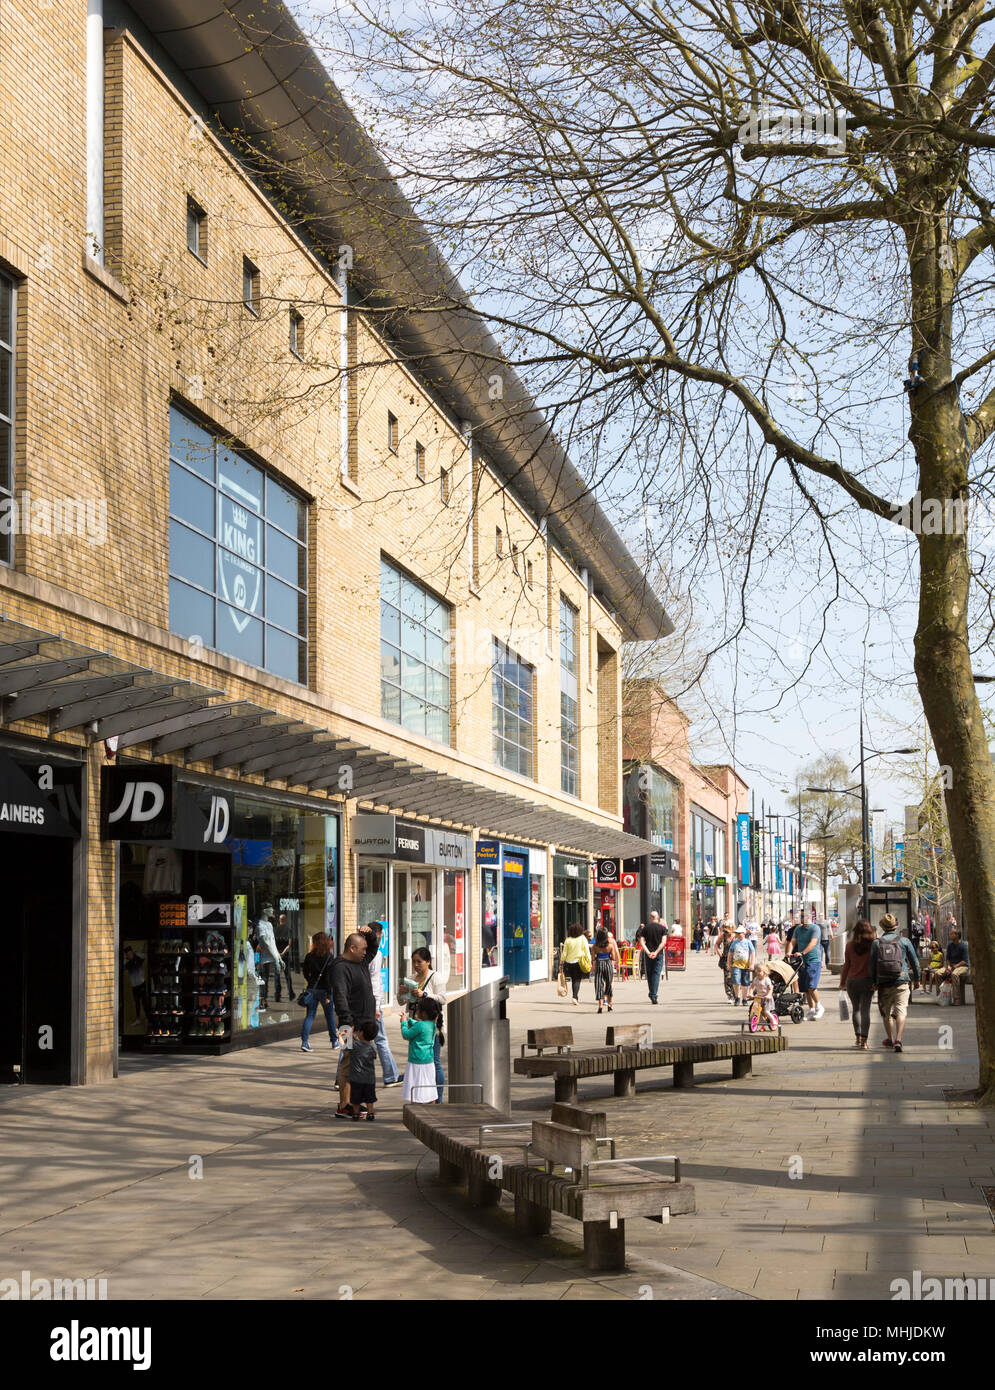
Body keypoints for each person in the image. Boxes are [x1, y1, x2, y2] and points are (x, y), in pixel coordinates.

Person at [331, 932, 376, 1119]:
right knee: (348, 1063)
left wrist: (370, 935)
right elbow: (340, 996)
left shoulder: (361, 962)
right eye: (362, 948)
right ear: (352, 948)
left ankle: (354, 1102)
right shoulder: (340, 968)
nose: (366, 952)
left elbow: (373, 949)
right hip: (348, 1025)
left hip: (364, 1024)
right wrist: (347, 1023)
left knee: (359, 1064)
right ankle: (345, 1105)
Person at [398, 947, 447, 1101]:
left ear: (428, 962)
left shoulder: (435, 977)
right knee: (418, 1062)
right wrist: (401, 993)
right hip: (415, 1025)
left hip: (432, 1027)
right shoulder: (412, 978)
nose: (416, 965)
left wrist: (424, 994)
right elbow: (401, 1001)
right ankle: (421, 1097)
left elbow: (443, 999)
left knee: (434, 1062)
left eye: (419, 962)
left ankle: (437, 1098)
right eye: (414, 962)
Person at [358, 920, 401, 1088]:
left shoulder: (357, 957)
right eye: (380, 936)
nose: (381, 938)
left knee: (347, 1042)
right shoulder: (373, 955)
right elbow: (374, 982)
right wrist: (376, 1007)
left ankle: (342, 1078)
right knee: (381, 1039)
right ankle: (391, 1075)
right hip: (366, 1005)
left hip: (354, 1007)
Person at [870, 912, 920, 1052]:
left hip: (884, 983)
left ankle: (890, 1039)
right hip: (902, 980)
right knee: (901, 1011)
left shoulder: (876, 943)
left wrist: (874, 981)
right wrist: (917, 979)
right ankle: (898, 1039)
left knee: (886, 1013)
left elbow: (872, 964)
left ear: (882, 927)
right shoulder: (904, 941)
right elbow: (915, 961)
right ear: (895, 926)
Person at [839, 919, 875, 1049]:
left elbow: (846, 966)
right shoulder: (873, 945)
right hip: (867, 980)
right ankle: (864, 1042)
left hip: (852, 981)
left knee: (856, 1009)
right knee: (866, 1010)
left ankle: (858, 1038)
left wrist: (842, 982)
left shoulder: (849, 945)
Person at [300, 930, 336, 1052]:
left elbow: (304, 971)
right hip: (325, 991)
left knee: (310, 1016)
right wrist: (329, 993)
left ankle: (305, 1042)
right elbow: (329, 977)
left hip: (312, 989)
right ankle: (334, 1041)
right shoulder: (329, 957)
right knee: (330, 1016)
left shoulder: (309, 956)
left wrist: (310, 981)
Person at [402, 998, 443, 1104]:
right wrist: (409, 1020)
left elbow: (406, 1034)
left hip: (416, 1063)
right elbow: (419, 1026)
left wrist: (404, 1023)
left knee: (415, 1092)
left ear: (423, 1013)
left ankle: (416, 1114)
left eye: (418, 1009)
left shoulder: (420, 1026)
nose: (417, 1011)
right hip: (429, 1062)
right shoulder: (432, 1025)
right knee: (430, 1090)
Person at [792, 911, 824, 1019]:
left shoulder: (815, 928)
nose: (801, 918)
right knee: (805, 988)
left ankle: (819, 1007)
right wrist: (788, 952)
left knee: (811, 986)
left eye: (803, 916)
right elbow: (792, 942)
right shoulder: (798, 929)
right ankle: (811, 1010)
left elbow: (813, 943)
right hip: (803, 961)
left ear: (809, 917)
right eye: (800, 916)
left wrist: (802, 953)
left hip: (814, 960)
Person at [348, 1019, 379, 1120]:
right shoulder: (373, 1046)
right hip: (370, 1078)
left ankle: (356, 1114)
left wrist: (349, 1034)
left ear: (361, 1032)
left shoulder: (355, 1045)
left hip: (356, 1078)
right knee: (370, 1098)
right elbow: (374, 1056)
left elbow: (345, 1046)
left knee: (355, 1098)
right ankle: (370, 1113)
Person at [635, 911, 666, 1004]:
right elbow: (663, 942)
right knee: (656, 974)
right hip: (658, 954)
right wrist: (656, 952)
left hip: (648, 954)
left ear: (650, 918)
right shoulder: (662, 928)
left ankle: (652, 994)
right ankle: (653, 995)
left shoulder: (645, 928)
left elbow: (641, 942)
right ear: (658, 917)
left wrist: (648, 952)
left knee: (649, 973)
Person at [560, 923, 591, 1004]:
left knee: (574, 979)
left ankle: (575, 997)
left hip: (569, 963)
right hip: (579, 962)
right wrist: (589, 961)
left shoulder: (568, 940)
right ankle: (574, 997)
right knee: (577, 980)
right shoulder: (582, 938)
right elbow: (587, 951)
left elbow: (564, 953)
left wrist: (561, 962)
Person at [593, 927, 619, 1014]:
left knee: (599, 984)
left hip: (599, 964)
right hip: (608, 963)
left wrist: (593, 966)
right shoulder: (610, 946)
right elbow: (613, 957)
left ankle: (600, 1005)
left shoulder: (595, 946)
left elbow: (593, 959)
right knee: (608, 984)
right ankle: (609, 1004)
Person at [727, 925, 755, 1005]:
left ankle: (744, 999)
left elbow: (752, 953)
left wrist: (752, 964)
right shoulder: (734, 942)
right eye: (737, 933)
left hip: (746, 965)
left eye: (740, 933)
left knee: (745, 982)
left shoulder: (748, 942)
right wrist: (728, 963)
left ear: (744, 933)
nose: (739, 935)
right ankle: (737, 997)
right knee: (736, 981)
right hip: (736, 965)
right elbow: (730, 953)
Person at [940, 928, 970, 1003]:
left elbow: (964, 961)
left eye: (951, 934)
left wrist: (953, 967)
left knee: (954, 974)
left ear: (957, 935)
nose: (949, 935)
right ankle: (940, 996)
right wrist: (949, 966)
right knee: (938, 973)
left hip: (962, 966)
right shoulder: (950, 945)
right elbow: (948, 958)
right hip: (952, 965)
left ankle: (956, 998)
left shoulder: (964, 945)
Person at [745, 963, 777, 1028]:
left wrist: (768, 995)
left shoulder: (766, 980)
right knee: (756, 1011)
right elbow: (751, 987)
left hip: (766, 998)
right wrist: (750, 993)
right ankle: (762, 1024)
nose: (758, 972)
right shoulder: (756, 979)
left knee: (766, 1011)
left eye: (759, 971)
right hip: (758, 998)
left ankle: (773, 1021)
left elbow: (770, 989)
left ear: (764, 972)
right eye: (757, 970)